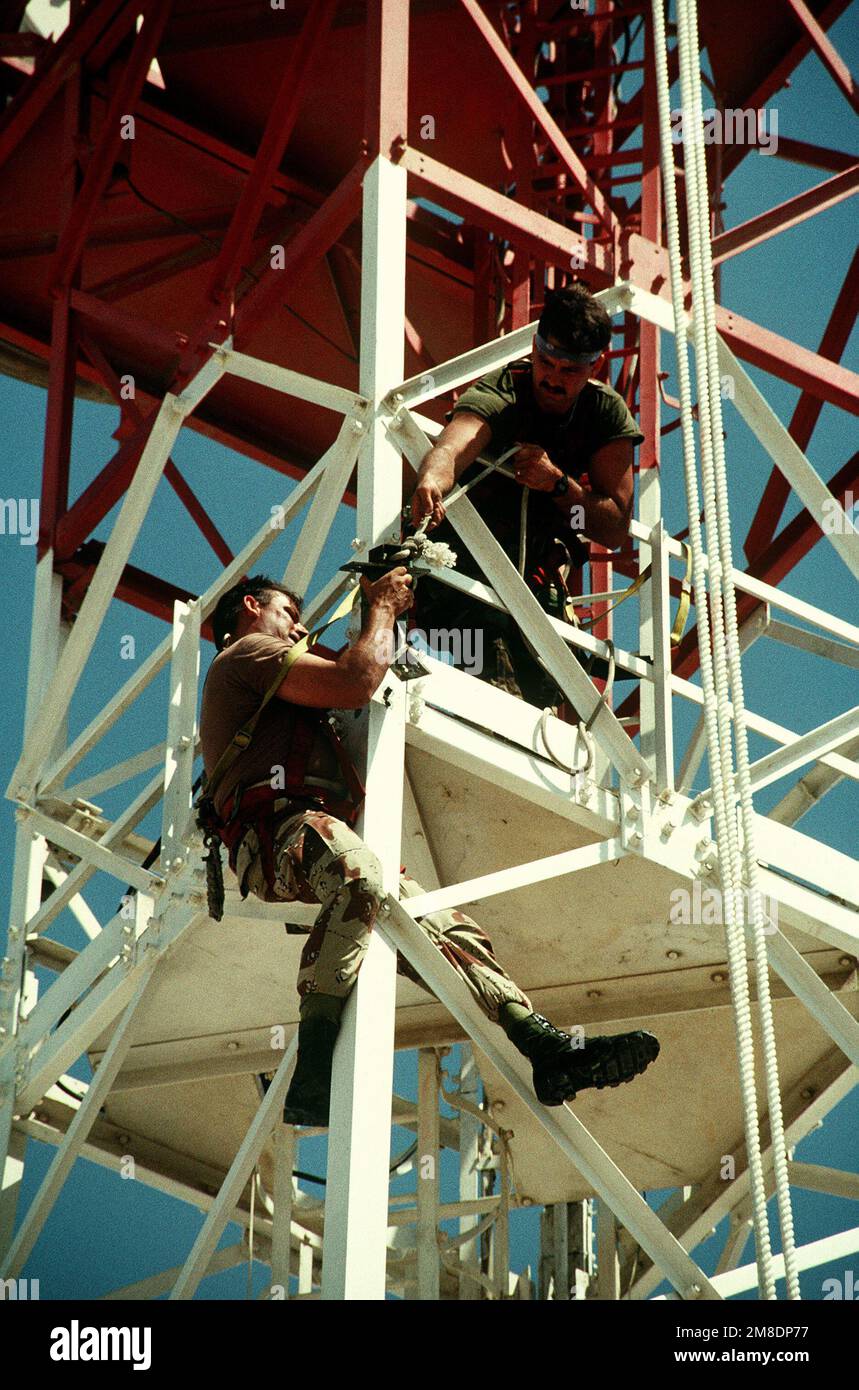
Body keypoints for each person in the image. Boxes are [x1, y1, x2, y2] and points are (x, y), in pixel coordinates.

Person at [199, 573, 659, 1126]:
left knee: (442, 926)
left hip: (315, 833)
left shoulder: (273, 678)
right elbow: (353, 681)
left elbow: (357, 679)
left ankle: (543, 1046)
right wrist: (385, 609)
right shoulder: (246, 653)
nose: (298, 626)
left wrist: (381, 619)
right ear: (251, 608)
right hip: (280, 831)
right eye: (287, 613)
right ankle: (313, 1070)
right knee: (360, 878)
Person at [410, 282, 644, 706]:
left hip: (538, 575)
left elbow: (613, 529)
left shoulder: (605, 413)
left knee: (534, 681)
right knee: (487, 649)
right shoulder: (507, 386)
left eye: (568, 370)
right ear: (534, 347)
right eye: (545, 361)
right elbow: (452, 448)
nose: (552, 378)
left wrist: (558, 483)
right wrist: (431, 480)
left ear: (595, 366)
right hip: (468, 563)